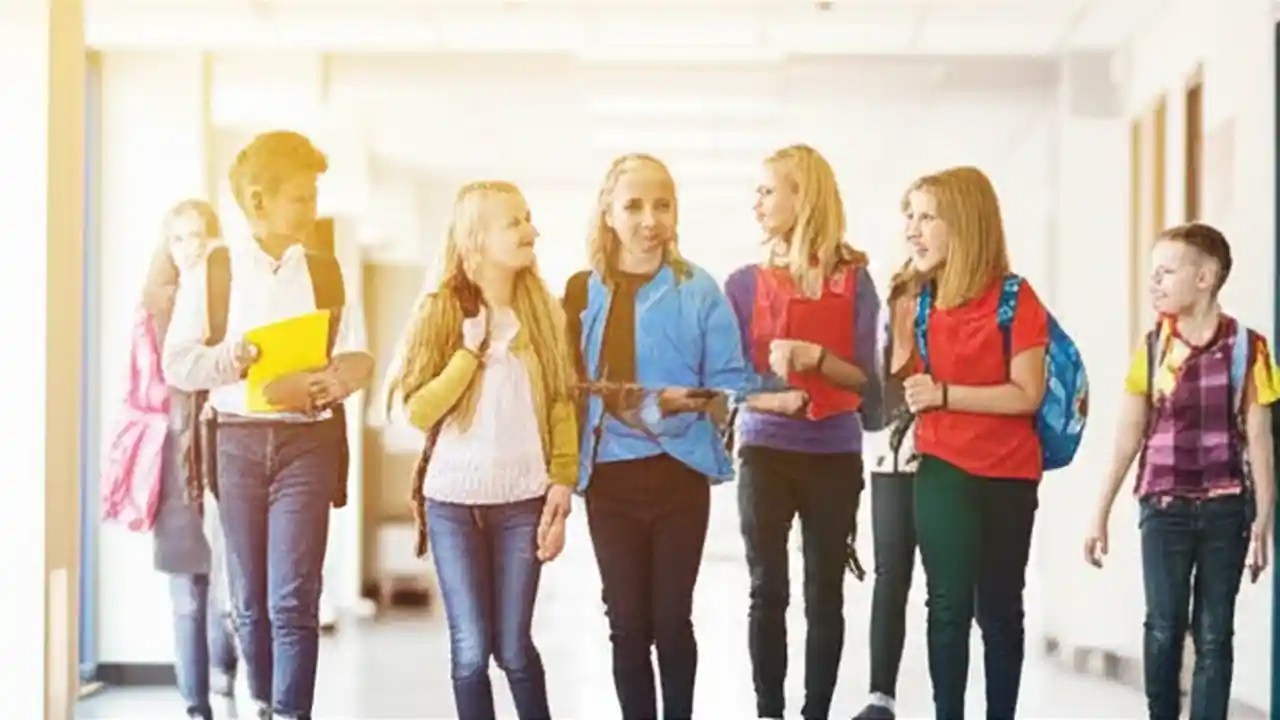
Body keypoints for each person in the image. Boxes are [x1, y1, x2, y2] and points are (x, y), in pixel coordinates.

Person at [162, 130, 373, 720]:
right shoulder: (215, 272)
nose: (311, 210)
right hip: (236, 441)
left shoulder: (326, 272)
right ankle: (263, 700)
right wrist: (235, 356)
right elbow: (177, 362)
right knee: (249, 601)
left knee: (294, 596)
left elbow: (357, 355)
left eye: (314, 197)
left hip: (309, 440)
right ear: (258, 201)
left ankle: (289, 712)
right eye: (300, 199)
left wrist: (334, 381)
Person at [563, 153, 764, 720]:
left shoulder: (697, 289)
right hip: (609, 478)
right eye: (633, 205)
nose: (649, 219)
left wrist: (684, 402)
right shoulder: (582, 293)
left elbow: (727, 386)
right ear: (608, 212)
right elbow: (569, 386)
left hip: (677, 475)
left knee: (672, 620)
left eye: (662, 205)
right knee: (626, 624)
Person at [388, 180, 576, 720]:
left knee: (513, 648)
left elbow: (563, 402)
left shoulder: (543, 310)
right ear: (475, 238)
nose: (530, 230)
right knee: (470, 652)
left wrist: (562, 483)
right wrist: (468, 353)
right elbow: (418, 410)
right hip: (451, 505)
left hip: (523, 502)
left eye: (529, 217)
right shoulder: (441, 310)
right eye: (514, 222)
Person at [1084, 222, 1276, 720]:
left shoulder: (1248, 350)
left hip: (1227, 508)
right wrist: (1099, 512)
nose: (1155, 282)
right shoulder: (1151, 350)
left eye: (1166, 271)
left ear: (1205, 278)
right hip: (1163, 508)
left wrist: (1263, 519)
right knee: (1164, 626)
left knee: (1215, 633)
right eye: (1153, 273)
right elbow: (1128, 437)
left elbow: (1260, 438)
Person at [723, 143, 883, 720]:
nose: (757, 203)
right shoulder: (742, 285)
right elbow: (729, 379)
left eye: (768, 190)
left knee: (825, 594)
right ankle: (770, 711)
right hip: (765, 450)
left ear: (802, 195)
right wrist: (775, 395)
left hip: (834, 454)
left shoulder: (856, 284)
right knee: (768, 591)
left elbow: (866, 380)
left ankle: (816, 712)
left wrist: (815, 357)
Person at [900, 166, 1048, 720]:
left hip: (1010, 472)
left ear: (962, 223)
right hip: (943, 465)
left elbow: (1026, 393)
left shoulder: (1015, 299)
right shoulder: (923, 301)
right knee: (947, 605)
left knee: (1001, 609)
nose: (913, 230)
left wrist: (943, 393)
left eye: (926, 217)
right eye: (909, 217)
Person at [111, 199, 239, 719]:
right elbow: (141, 389)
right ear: (167, 245)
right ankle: (195, 704)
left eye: (200, 236)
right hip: (173, 453)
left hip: (230, 440)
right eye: (181, 237)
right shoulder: (151, 307)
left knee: (230, 580)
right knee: (187, 581)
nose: (190, 248)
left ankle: (226, 671)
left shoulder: (234, 296)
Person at [854, 259, 923, 720]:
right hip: (892, 462)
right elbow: (875, 395)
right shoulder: (888, 313)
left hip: (945, 463)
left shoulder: (949, 322)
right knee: (890, 575)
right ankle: (881, 698)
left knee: (953, 586)